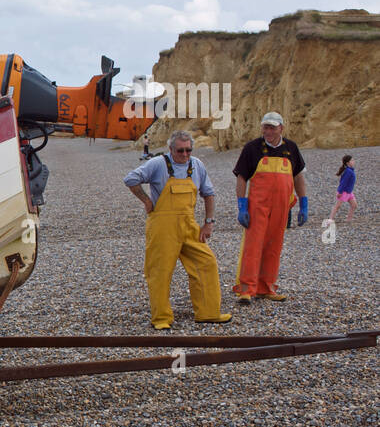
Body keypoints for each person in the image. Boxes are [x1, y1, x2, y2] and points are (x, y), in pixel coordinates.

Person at [124, 130, 232, 330]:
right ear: (170, 149)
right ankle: (161, 318)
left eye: (188, 150)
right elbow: (131, 179)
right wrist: (146, 200)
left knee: (206, 263)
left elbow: (208, 193)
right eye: (180, 150)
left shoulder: (197, 165)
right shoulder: (158, 164)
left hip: (189, 226)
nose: (185, 154)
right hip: (162, 228)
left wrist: (208, 222)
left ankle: (208, 313)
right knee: (160, 271)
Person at [232, 112, 307, 303]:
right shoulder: (252, 148)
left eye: (272, 127)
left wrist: (303, 203)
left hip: (282, 207)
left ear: (281, 128)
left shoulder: (291, 148)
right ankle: (247, 289)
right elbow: (241, 177)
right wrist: (242, 206)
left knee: (274, 246)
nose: (268, 131)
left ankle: (266, 288)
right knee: (253, 246)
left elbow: (298, 176)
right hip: (258, 207)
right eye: (265, 127)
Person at [328, 155, 357, 223]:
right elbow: (343, 182)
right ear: (347, 163)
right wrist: (340, 192)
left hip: (349, 192)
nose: (354, 161)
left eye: (353, 160)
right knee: (337, 206)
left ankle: (349, 219)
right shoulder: (348, 171)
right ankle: (330, 219)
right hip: (344, 192)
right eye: (352, 160)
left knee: (354, 205)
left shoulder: (351, 170)